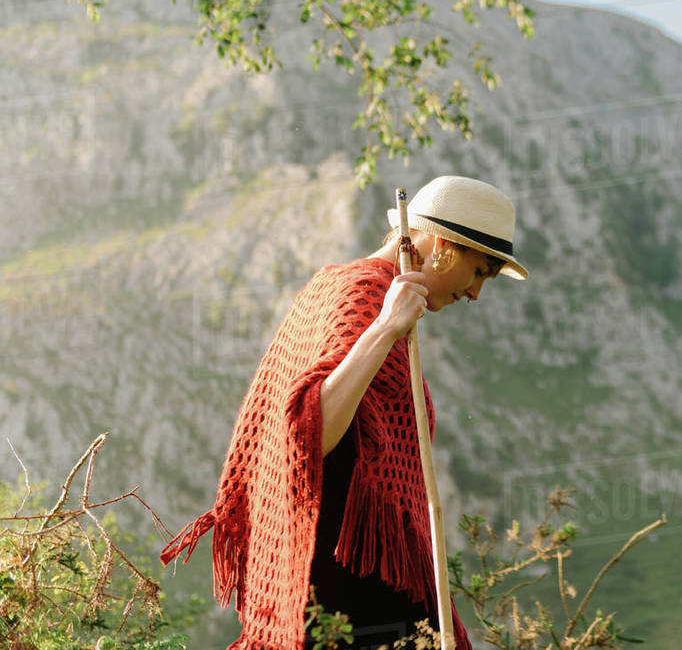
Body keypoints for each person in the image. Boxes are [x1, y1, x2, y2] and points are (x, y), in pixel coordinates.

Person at [160, 175, 529, 650]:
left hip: (353, 574)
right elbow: (310, 430)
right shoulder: (362, 295)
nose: (476, 293)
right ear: (442, 246)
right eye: (479, 272)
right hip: (346, 593)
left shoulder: (359, 289)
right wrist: (384, 329)